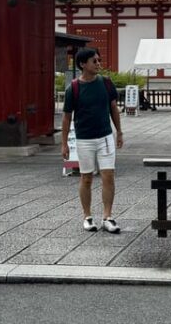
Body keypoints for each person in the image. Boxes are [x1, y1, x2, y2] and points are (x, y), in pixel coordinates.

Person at [61, 48, 123, 233]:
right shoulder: (73, 88)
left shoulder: (106, 83)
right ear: (82, 64)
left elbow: (113, 108)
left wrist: (119, 132)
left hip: (105, 137)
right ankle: (87, 217)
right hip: (84, 139)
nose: (98, 64)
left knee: (108, 176)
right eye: (94, 61)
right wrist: (64, 143)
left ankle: (107, 217)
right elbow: (66, 117)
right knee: (86, 177)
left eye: (99, 60)